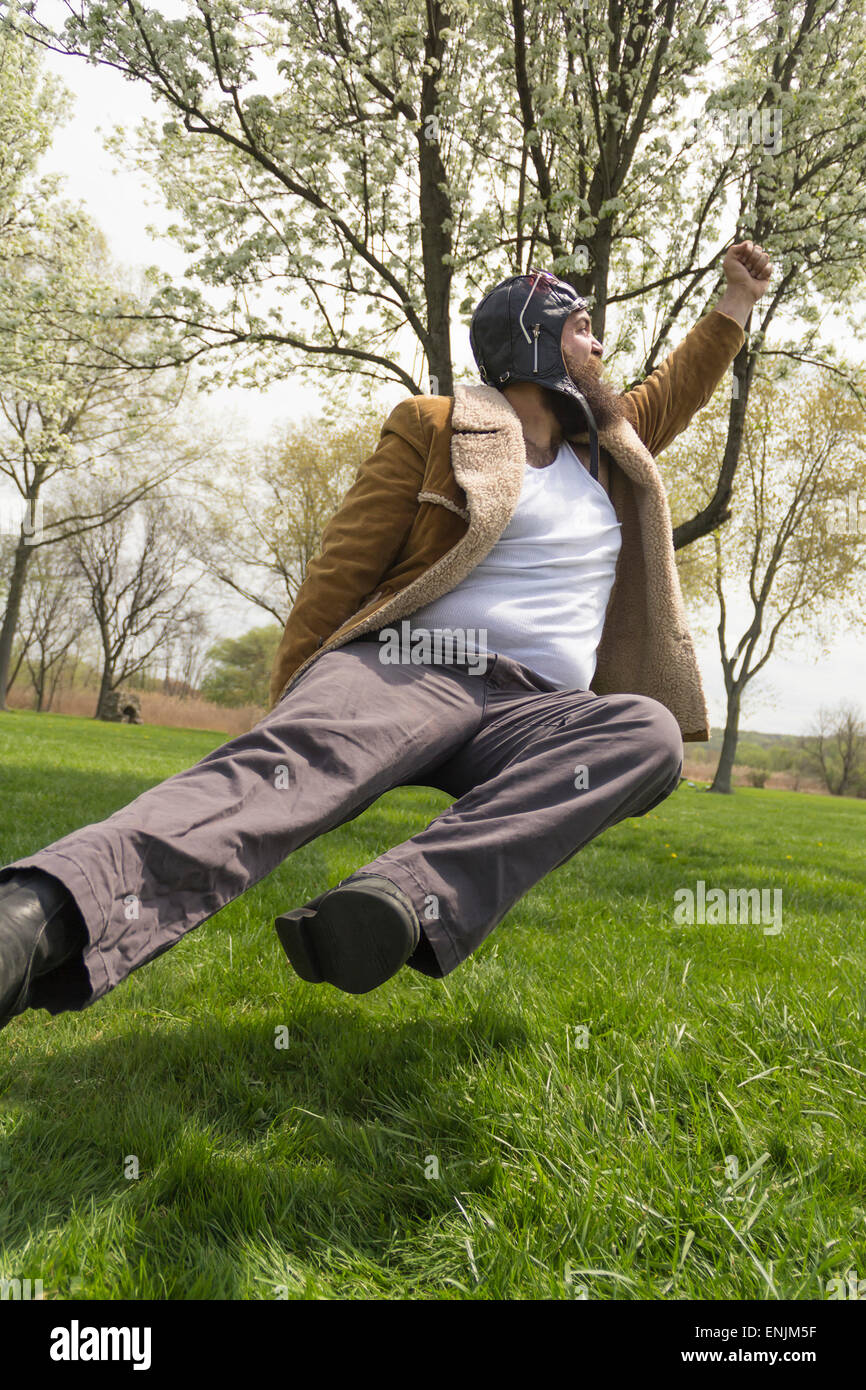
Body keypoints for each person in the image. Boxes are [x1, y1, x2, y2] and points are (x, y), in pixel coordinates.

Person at [0, 240, 772, 1029]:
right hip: (414, 668)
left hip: (537, 713)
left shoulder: (607, 450)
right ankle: (36, 919)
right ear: (534, 340)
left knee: (646, 732)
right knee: (274, 779)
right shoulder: (436, 425)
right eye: (580, 327)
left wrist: (736, 302)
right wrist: (293, 699)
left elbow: (679, 386)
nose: (599, 346)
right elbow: (341, 569)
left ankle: (401, 899)